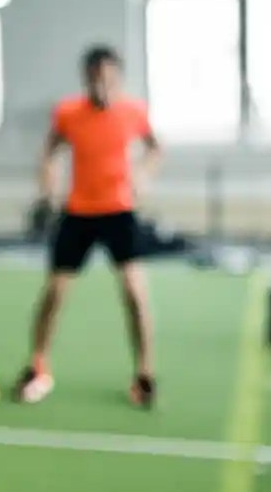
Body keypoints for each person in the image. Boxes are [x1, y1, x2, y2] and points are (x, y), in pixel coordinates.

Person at [16, 46, 163, 408]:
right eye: (94, 78)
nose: (101, 84)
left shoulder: (134, 111)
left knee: (134, 291)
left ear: (118, 79)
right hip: (78, 212)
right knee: (55, 292)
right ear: (86, 79)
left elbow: (155, 148)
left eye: (108, 78)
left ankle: (143, 374)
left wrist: (142, 176)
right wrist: (48, 184)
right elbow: (49, 151)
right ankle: (38, 367)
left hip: (119, 212)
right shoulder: (68, 113)